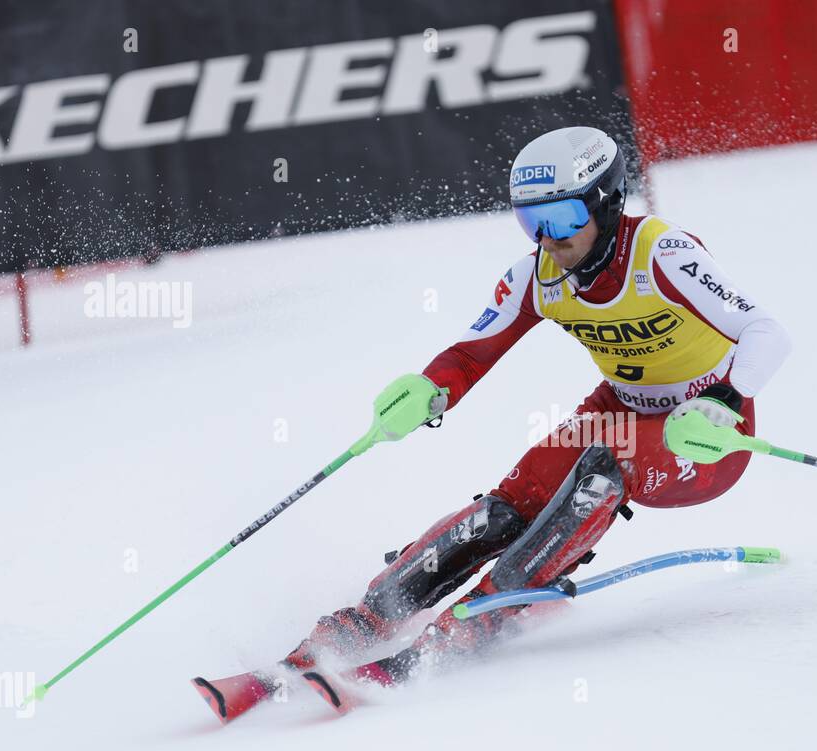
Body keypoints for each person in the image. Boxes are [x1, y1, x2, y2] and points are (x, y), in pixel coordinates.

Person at [289, 126, 791, 687]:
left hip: (704, 435)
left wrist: (728, 397)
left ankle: (474, 621)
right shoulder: (539, 276)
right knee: (511, 504)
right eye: (532, 222)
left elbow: (766, 332)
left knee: (600, 471)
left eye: (563, 220)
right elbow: (471, 353)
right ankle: (369, 616)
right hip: (620, 408)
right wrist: (429, 390)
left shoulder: (664, 254)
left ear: (607, 202)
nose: (549, 240)